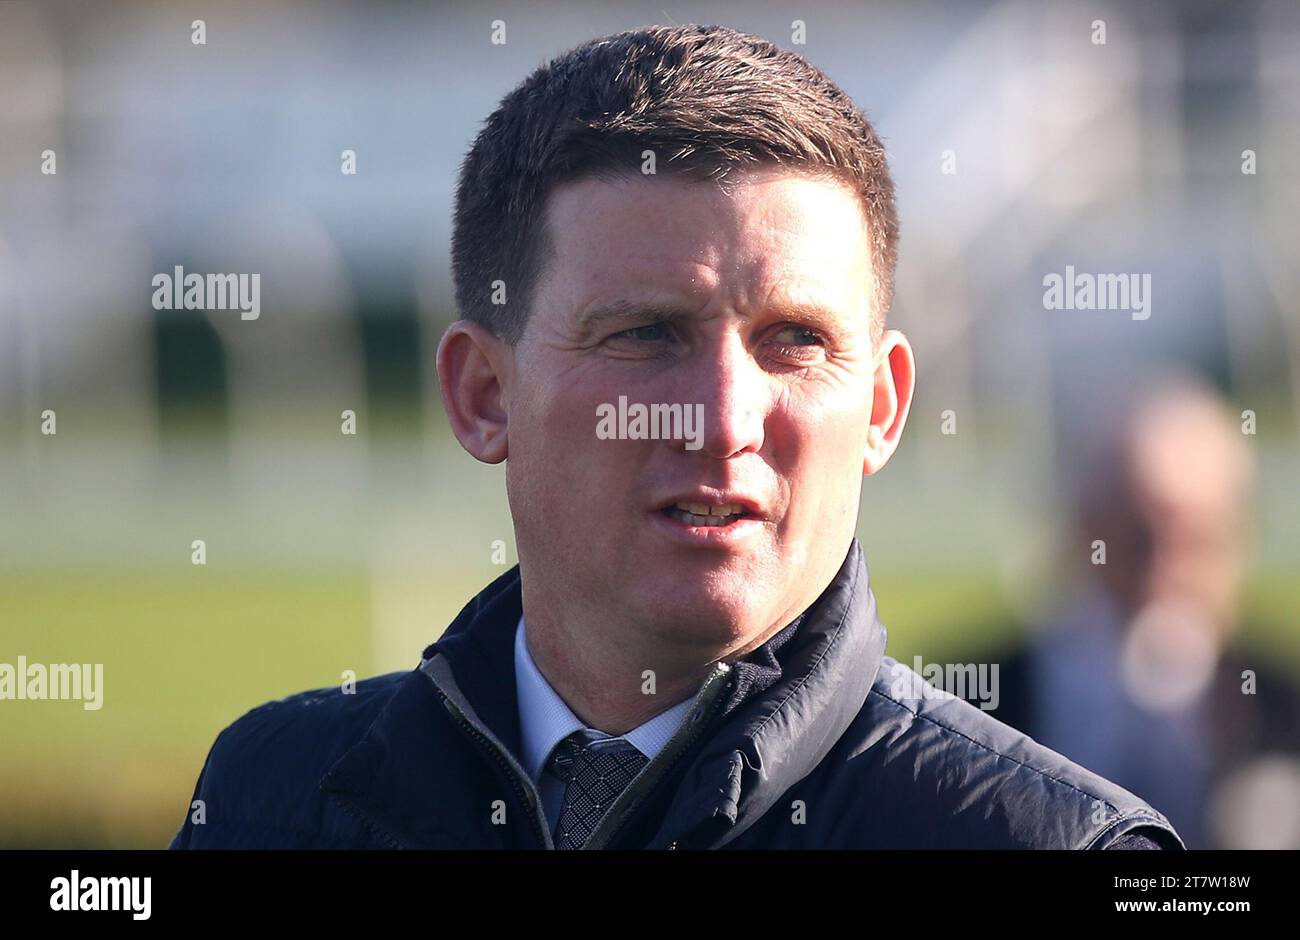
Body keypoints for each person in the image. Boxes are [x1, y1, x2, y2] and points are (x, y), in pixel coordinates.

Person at [171, 24, 1181, 850]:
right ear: (484, 394)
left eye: (794, 340)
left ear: (880, 408)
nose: (722, 419)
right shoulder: (270, 800)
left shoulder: (1051, 846)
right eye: (646, 333)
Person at [975, 375, 1300, 849]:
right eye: (1139, 538)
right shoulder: (973, 714)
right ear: (1083, 525)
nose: (1166, 571)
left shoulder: (1285, 711)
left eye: (1199, 540)